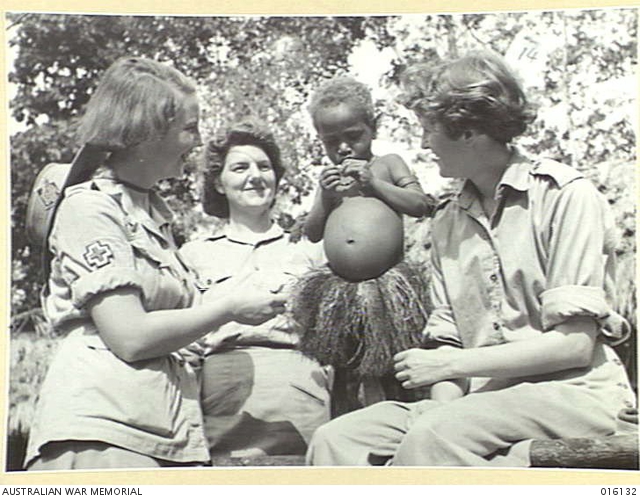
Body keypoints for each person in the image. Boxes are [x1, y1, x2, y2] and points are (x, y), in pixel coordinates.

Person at [306, 50, 636, 466]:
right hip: (483, 401)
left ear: (468, 130)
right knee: (338, 439)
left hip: (575, 393)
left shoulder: (563, 196)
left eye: (429, 130)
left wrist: (450, 369)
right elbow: (448, 343)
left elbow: (572, 345)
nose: (424, 143)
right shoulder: (447, 221)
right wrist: (444, 394)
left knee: (434, 436)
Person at [24, 57, 286, 470]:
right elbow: (130, 336)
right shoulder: (89, 209)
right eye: (189, 127)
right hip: (104, 432)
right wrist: (230, 309)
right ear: (147, 131)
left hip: (161, 430)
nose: (198, 142)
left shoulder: (153, 215)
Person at [180, 119, 331, 459]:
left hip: (299, 393)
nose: (255, 175)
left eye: (264, 166)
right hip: (221, 399)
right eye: (240, 167)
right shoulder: (193, 254)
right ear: (219, 183)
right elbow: (185, 341)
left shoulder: (309, 248)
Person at [305, 75, 432, 248]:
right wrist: (326, 197)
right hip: (337, 274)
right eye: (331, 141)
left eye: (353, 136)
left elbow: (420, 205)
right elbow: (313, 234)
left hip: (388, 272)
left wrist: (373, 183)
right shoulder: (330, 181)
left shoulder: (389, 164)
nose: (343, 148)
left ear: (373, 128)